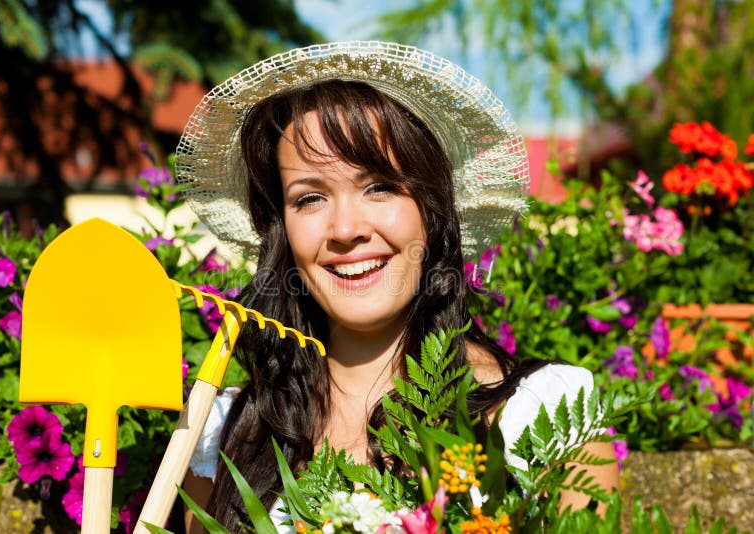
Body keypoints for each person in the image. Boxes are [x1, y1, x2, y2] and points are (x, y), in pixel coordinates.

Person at [175, 41, 619, 533]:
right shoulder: (227, 434)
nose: (346, 229)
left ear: (432, 211)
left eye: (380, 186)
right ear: (281, 230)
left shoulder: (543, 415)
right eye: (311, 198)